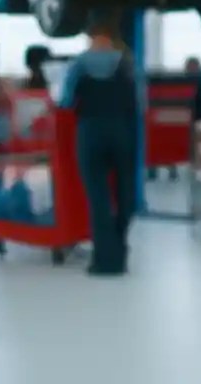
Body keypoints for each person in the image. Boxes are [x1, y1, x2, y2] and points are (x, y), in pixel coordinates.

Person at [59, 14, 139, 276]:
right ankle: (120, 252)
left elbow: (66, 102)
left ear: (91, 36)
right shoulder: (127, 63)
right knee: (125, 194)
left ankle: (103, 260)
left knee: (98, 197)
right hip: (122, 131)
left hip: (90, 131)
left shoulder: (79, 65)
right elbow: (140, 102)